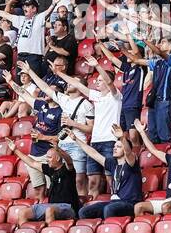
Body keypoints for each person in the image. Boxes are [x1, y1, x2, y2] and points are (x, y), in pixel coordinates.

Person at [52, 60, 122, 199]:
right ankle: (91, 210)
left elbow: (109, 82)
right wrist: (59, 73)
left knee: (111, 178)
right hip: (95, 142)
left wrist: (97, 66)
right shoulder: (96, 96)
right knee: (93, 181)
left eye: (100, 80)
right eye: (96, 80)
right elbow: (77, 84)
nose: (97, 82)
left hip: (110, 140)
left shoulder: (116, 95)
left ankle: (116, 203)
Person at [73, 130, 142, 220]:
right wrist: (76, 139)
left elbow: (128, 152)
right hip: (113, 202)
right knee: (84, 211)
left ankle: (110, 232)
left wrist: (122, 138)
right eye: (114, 146)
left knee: (109, 209)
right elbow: (93, 153)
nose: (114, 148)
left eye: (118, 146)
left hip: (130, 203)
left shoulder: (132, 163)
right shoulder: (112, 164)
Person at [8, 140, 81, 223]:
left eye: (49, 157)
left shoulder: (68, 170)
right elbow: (32, 163)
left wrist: (59, 150)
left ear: (57, 158)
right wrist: (15, 150)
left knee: (49, 210)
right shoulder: (50, 169)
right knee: (23, 212)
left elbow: (69, 161)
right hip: (51, 206)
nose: (47, 160)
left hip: (68, 207)